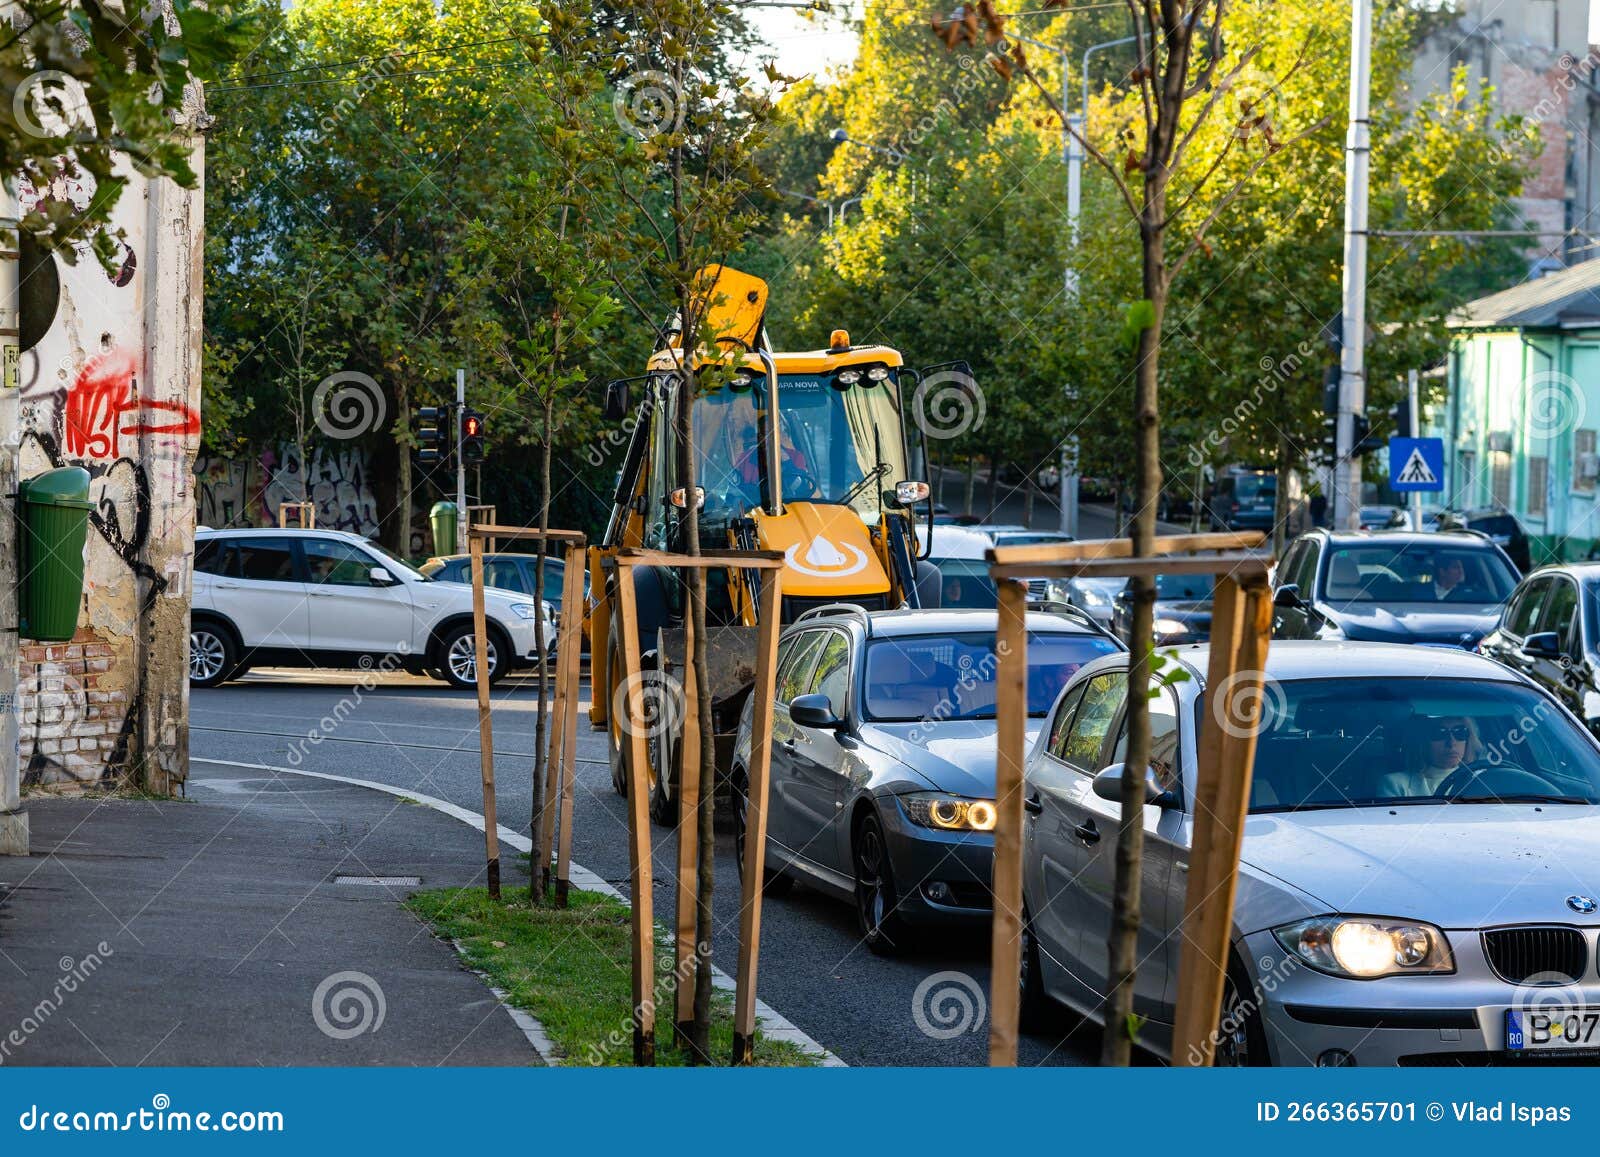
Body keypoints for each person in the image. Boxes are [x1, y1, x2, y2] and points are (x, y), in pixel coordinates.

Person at [1376, 715, 1478, 798]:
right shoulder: (1396, 784)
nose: (1451, 743)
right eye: (1439, 733)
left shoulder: (1479, 780)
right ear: (1421, 742)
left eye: (1460, 732)